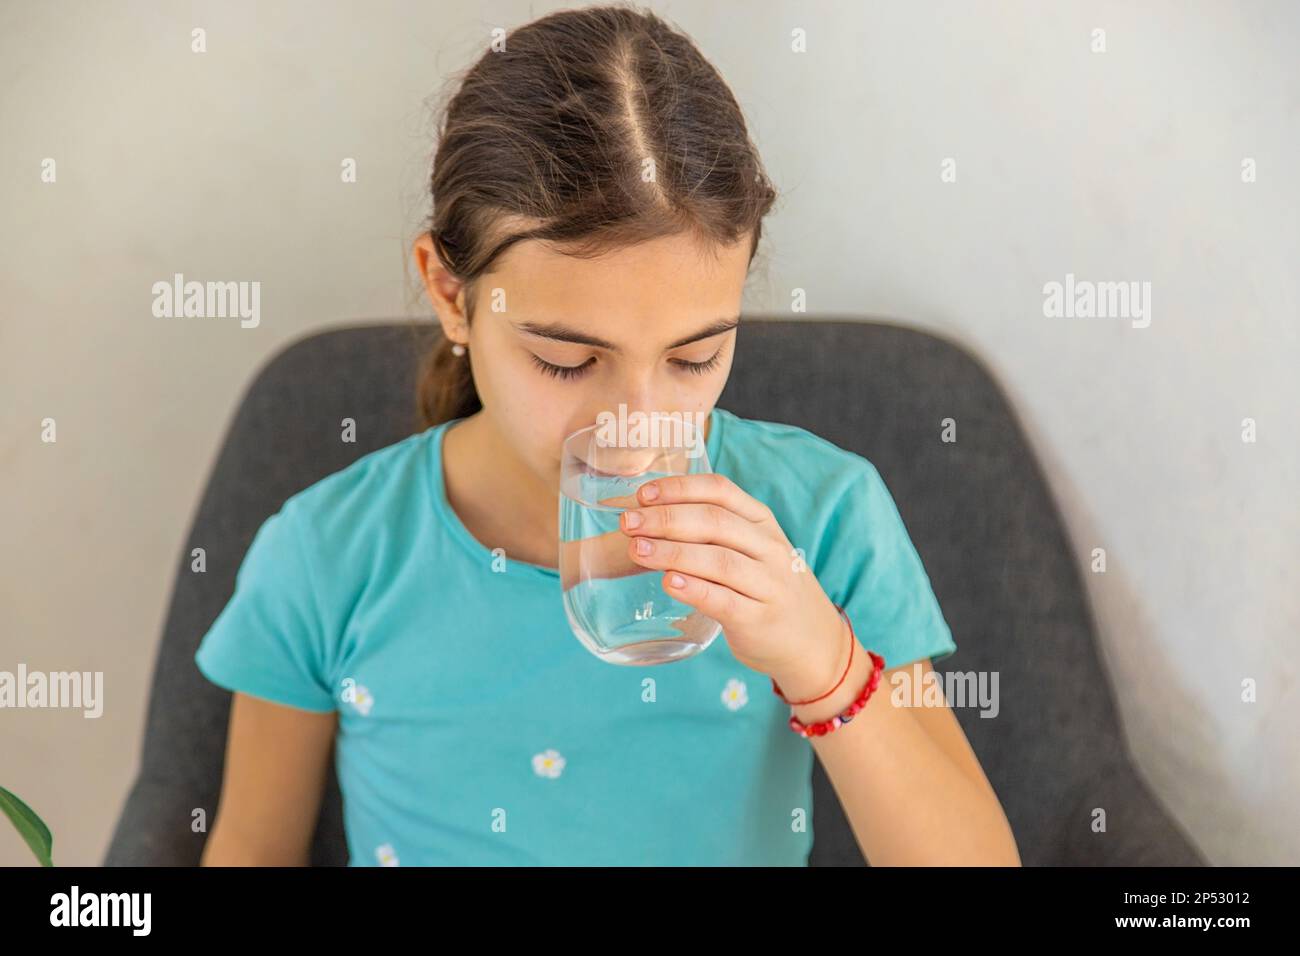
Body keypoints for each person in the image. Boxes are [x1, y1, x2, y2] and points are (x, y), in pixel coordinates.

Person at [195, 4, 1019, 867]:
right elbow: (252, 847)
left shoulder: (821, 517)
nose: (635, 427)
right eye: (564, 361)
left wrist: (825, 664)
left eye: (695, 356)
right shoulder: (327, 553)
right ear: (449, 293)